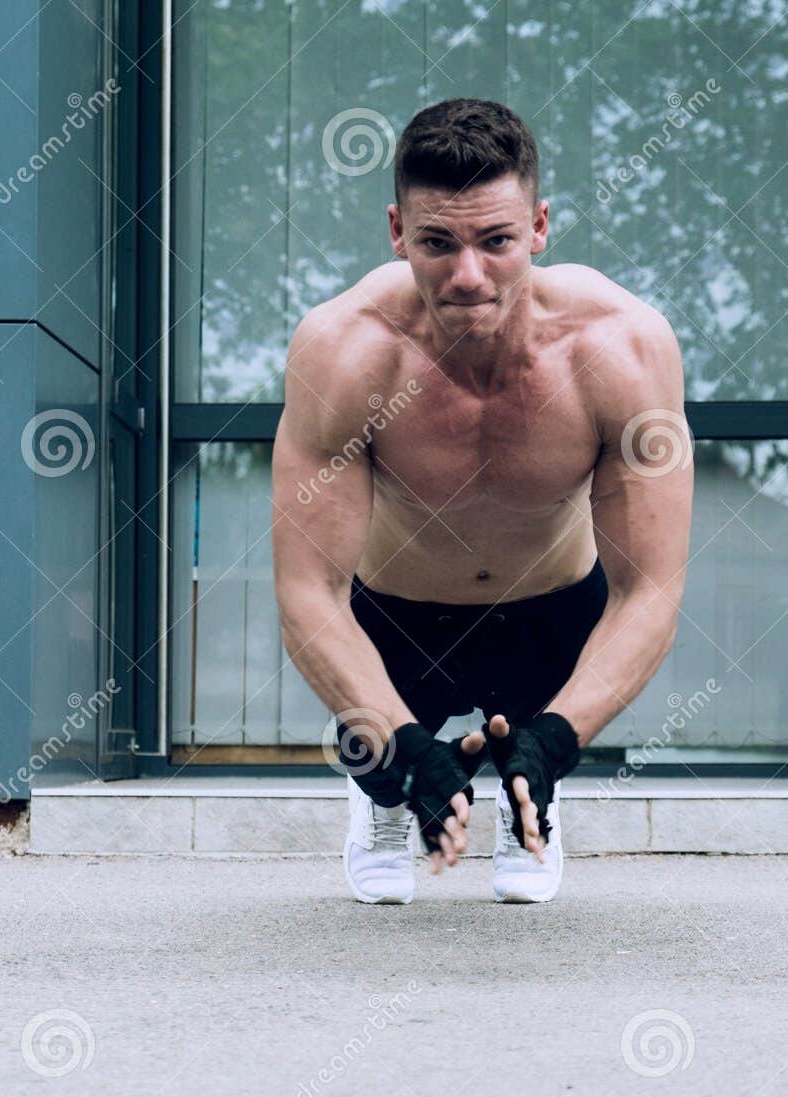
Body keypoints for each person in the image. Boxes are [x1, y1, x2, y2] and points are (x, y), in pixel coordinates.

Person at [271, 97, 692, 904]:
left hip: (550, 615)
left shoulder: (622, 347)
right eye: (437, 243)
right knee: (387, 762)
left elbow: (652, 588)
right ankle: (381, 802)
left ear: (538, 226)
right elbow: (308, 591)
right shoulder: (342, 349)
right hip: (397, 614)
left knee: (539, 752)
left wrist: (561, 740)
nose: (468, 277)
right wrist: (398, 750)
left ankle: (535, 802)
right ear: (398, 232)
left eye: (496, 240)